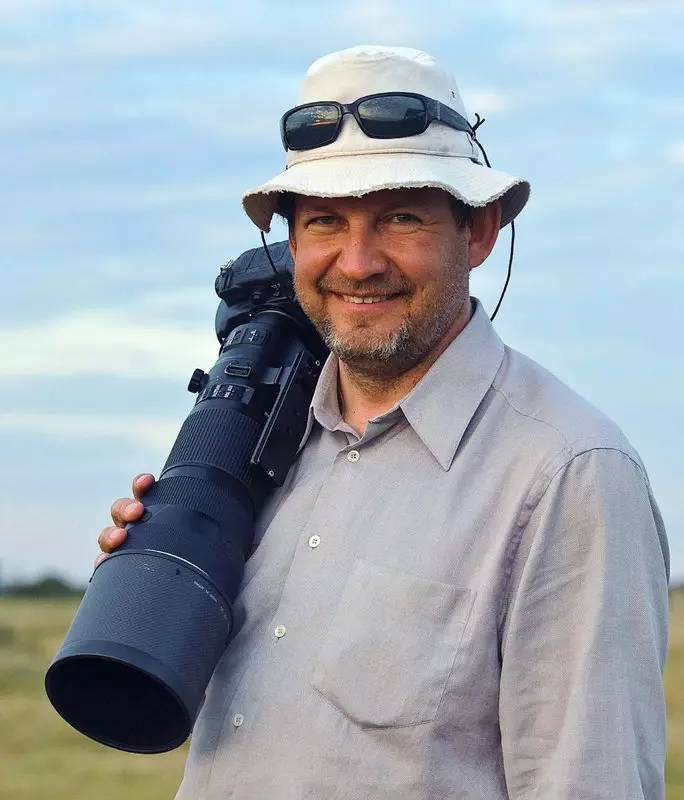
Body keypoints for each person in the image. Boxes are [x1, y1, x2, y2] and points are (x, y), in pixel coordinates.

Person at [97, 46, 670, 799]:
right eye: (326, 221)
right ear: (292, 244)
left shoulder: (568, 473)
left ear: (479, 232)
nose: (358, 262)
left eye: (400, 217)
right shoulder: (261, 446)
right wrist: (166, 574)